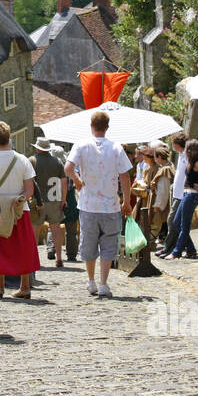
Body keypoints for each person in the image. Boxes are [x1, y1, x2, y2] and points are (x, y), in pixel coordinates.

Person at [65, 110, 134, 298]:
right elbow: (125, 175)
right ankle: (104, 283)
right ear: (107, 127)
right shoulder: (116, 148)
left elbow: (68, 168)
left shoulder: (81, 145)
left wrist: (78, 181)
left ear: (91, 125)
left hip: (88, 204)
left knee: (89, 243)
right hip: (110, 205)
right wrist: (126, 201)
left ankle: (91, 280)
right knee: (108, 244)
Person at [0, 121, 39, 298]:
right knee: (22, 247)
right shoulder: (22, 160)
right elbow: (29, 190)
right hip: (19, 209)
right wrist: (19, 200)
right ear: (9, 137)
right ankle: (25, 286)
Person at [158, 138, 198, 261]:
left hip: (192, 195)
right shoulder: (191, 162)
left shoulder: (197, 163)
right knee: (176, 222)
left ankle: (177, 251)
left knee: (184, 225)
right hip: (186, 194)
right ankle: (191, 250)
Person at [31, 136, 67, 268]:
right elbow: (64, 182)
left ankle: (34, 259)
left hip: (38, 201)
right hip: (54, 199)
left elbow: (29, 181)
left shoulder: (32, 160)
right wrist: (63, 199)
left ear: (37, 148)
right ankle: (59, 258)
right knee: (56, 229)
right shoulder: (58, 161)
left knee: (35, 229)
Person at [165, 133, 188, 238]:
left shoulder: (187, 156)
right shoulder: (181, 155)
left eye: (173, 143)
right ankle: (185, 247)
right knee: (178, 222)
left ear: (177, 144)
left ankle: (171, 246)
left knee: (172, 220)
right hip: (176, 192)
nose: (172, 146)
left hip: (182, 194)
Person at [149, 144, 174, 237]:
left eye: (155, 157)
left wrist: (158, 205)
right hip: (164, 202)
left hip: (161, 204)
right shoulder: (167, 166)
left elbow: (163, 190)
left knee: (155, 227)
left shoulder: (165, 170)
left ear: (159, 157)